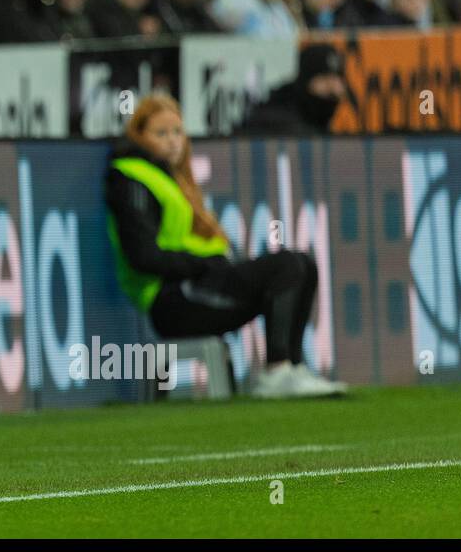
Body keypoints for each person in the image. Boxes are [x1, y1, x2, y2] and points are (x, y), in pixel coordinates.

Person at [105, 94, 346, 398]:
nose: (172, 141)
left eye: (177, 132)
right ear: (139, 136)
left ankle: (292, 368)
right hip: (169, 300)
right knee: (286, 266)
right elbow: (142, 256)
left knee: (303, 264)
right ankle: (276, 370)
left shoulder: (170, 178)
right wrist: (204, 263)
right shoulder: (131, 178)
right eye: (161, 133)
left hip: (195, 285)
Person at [238, 44, 348, 135]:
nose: (333, 90)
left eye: (337, 81)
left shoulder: (324, 123)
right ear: (305, 81)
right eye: (325, 81)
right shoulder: (276, 120)